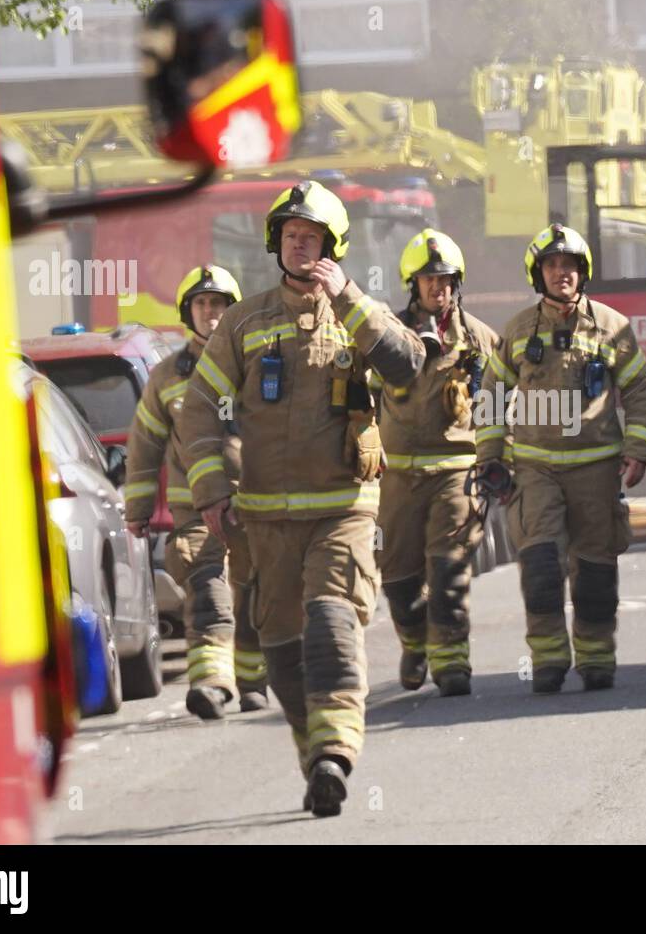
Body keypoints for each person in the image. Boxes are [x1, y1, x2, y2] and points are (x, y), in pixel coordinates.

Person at [176, 180, 424, 816]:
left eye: (310, 236)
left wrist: (350, 300)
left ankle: (338, 751)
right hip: (263, 522)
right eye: (290, 235)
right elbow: (199, 405)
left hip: (342, 508)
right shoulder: (243, 321)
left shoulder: (358, 312)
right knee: (282, 648)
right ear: (275, 244)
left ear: (332, 246)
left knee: (333, 623)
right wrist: (209, 487)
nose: (298, 244)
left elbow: (407, 366)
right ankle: (316, 757)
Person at [474, 223, 646, 693]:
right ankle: (548, 658)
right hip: (535, 469)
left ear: (583, 272)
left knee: (595, 569)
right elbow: (492, 394)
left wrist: (638, 450)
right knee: (539, 565)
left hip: (597, 468)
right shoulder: (518, 330)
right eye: (553, 266)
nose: (562, 274)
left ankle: (597, 658)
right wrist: (490, 458)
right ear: (538, 275)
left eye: (570, 266)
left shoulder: (613, 328)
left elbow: (640, 389)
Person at [124, 264, 268, 718]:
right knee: (208, 592)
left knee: (253, 594)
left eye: (219, 304)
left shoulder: (259, 363)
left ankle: (252, 679)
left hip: (256, 505)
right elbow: (144, 448)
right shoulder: (167, 376)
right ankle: (211, 682)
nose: (211, 312)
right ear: (189, 312)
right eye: (203, 304)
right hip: (196, 512)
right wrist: (138, 510)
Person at [374, 230, 500, 697]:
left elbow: (504, 402)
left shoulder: (481, 340)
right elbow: (355, 394)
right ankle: (415, 642)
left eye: (445, 279)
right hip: (397, 478)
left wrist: (500, 460)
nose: (437, 287)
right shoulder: (387, 334)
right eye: (428, 279)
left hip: (456, 474)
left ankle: (452, 664)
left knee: (448, 572)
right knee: (398, 579)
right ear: (413, 283)